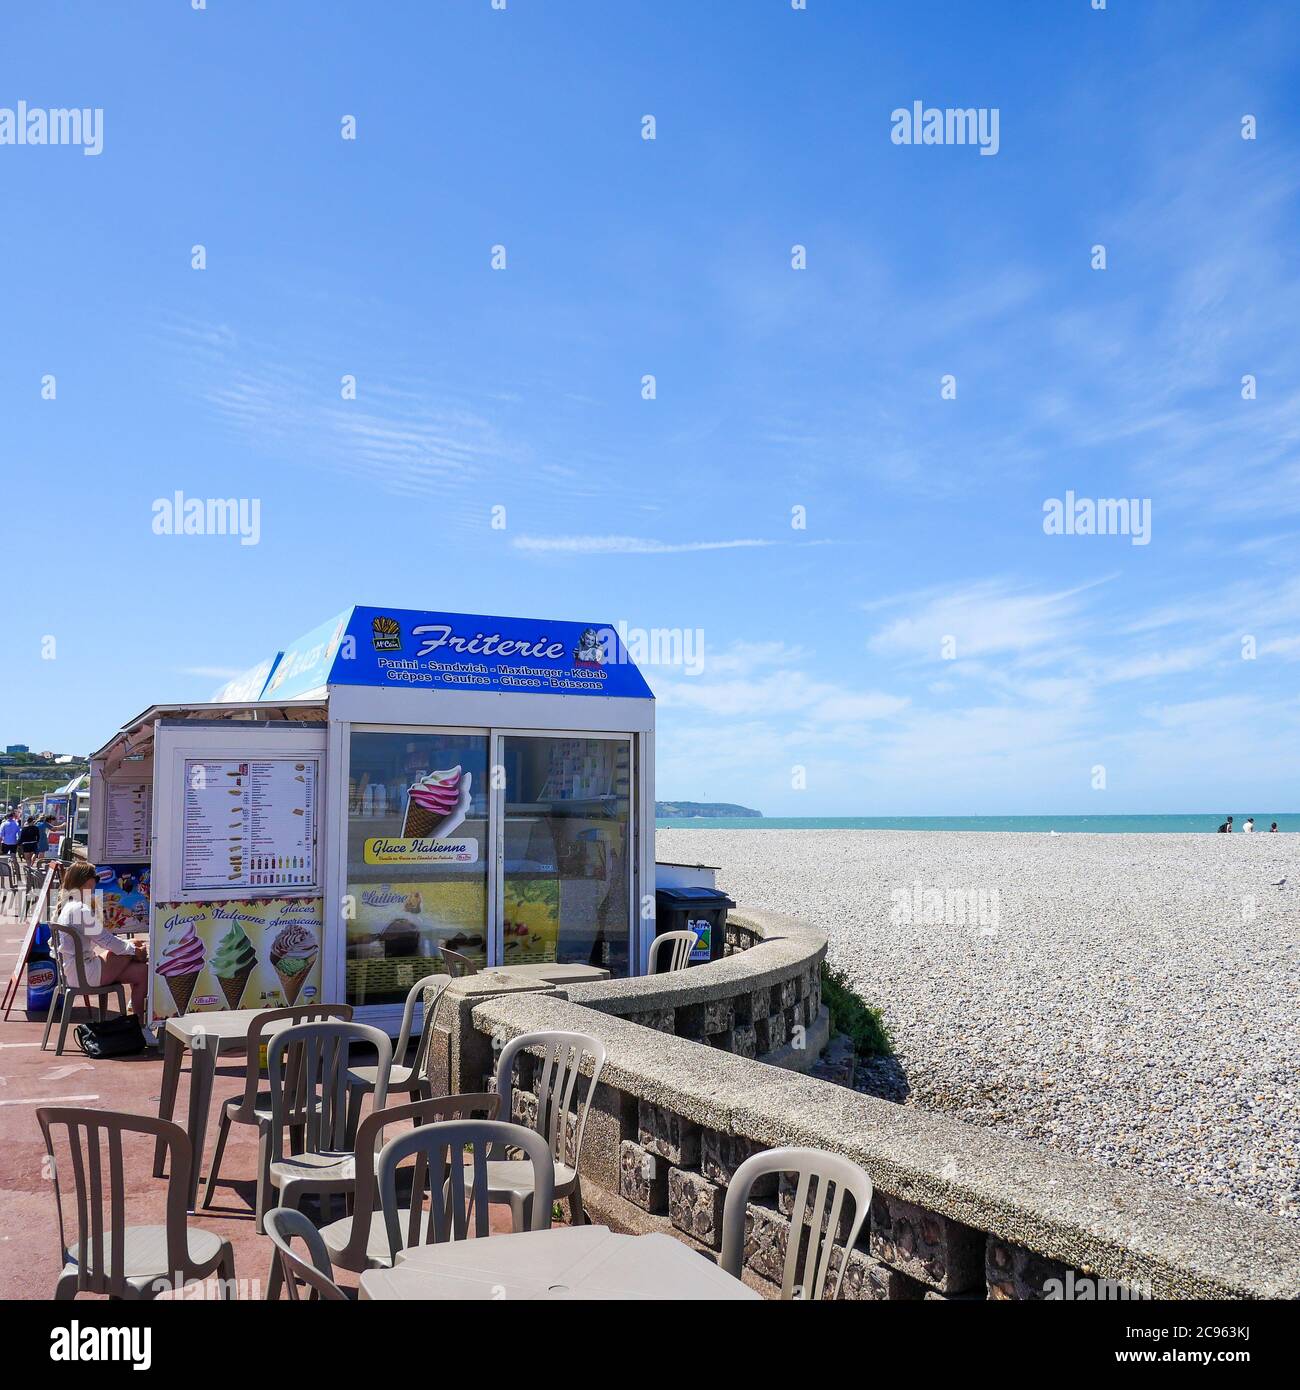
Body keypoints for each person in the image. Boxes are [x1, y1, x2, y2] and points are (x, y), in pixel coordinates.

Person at [54, 861, 149, 1021]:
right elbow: (105, 940)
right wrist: (134, 951)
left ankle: (138, 1021)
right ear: (86, 881)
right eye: (95, 878)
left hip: (74, 971)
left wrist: (131, 948)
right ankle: (140, 1025)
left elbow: (104, 940)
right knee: (132, 948)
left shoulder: (68, 906)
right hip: (85, 974)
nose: (96, 882)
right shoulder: (79, 910)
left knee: (142, 973)